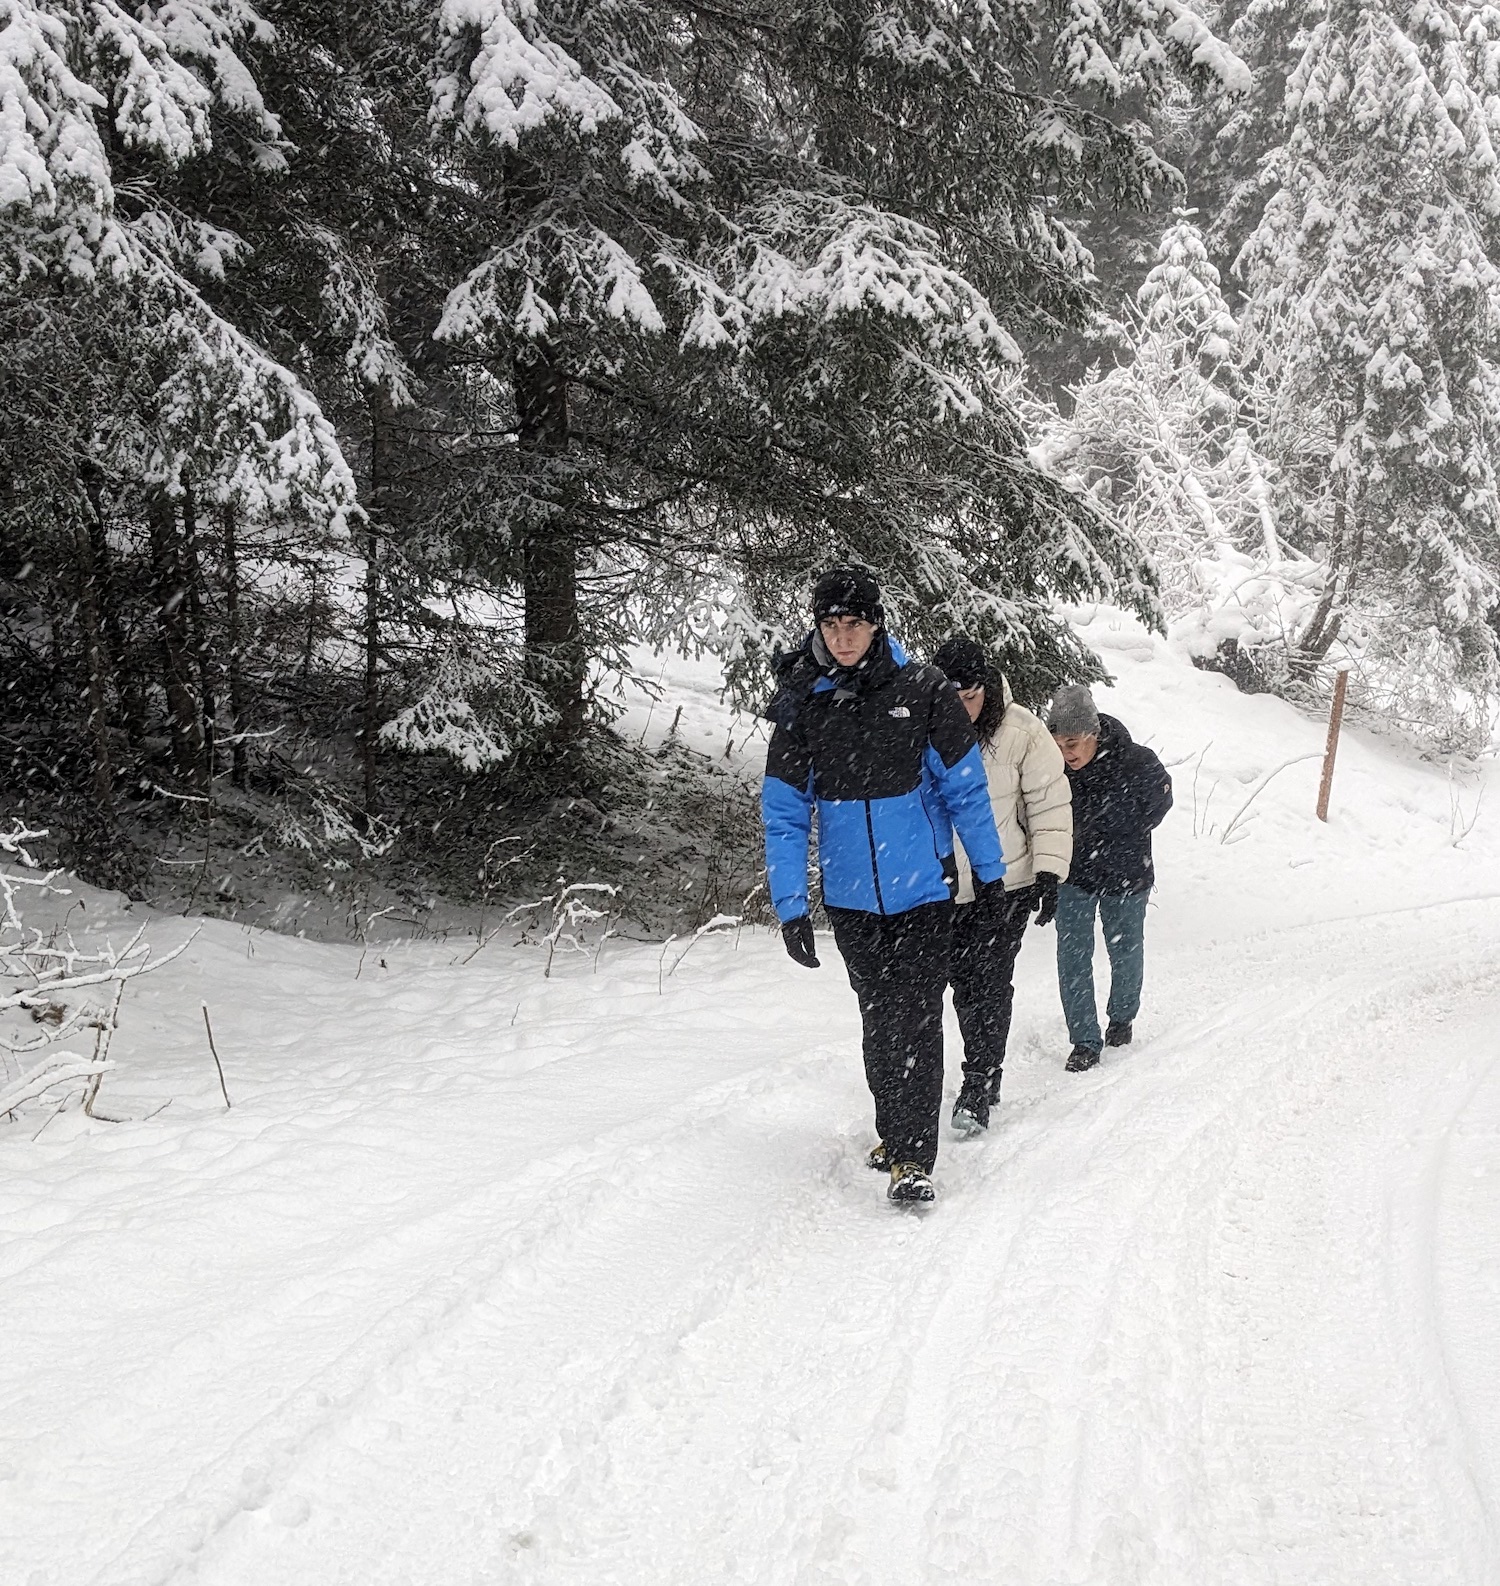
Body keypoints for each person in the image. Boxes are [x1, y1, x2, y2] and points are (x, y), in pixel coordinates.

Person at [762, 568, 1006, 1204]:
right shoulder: (803, 700)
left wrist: (990, 869)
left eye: (854, 624)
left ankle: (914, 1156)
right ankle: (895, 1133)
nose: (843, 638)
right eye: (831, 624)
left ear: (876, 624)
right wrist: (791, 905)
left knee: (919, 1017)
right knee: (878, 1021)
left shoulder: (923, 690)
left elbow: (965, 787)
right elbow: (785, 813)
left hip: (923, 891)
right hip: (850, 900)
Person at [931, 637, 1072, 1135]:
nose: (962, 708)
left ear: (987, 690)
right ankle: (936, 1085)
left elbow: (1049, 804)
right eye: (952, 696)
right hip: (940, 887)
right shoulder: (920, 727)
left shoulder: (1023, 732)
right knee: (946, 988)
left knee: (986, 986)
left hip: (1005, 884)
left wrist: (1050, 871)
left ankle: (980, 1081)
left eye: (970, 696)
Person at [1045, 684, 1173, 1072]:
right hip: (1075, 876)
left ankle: (1122, 1018)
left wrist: (1125, 830)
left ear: (1093, 733)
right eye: (1058, 745)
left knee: (1125, 949)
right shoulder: (1053, 771)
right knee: (1072, 958)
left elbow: (1161, 800)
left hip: (1126, 875)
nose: (1067, 755)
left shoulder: (1138, 761)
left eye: (1073, 743)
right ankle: (1084, 1040)